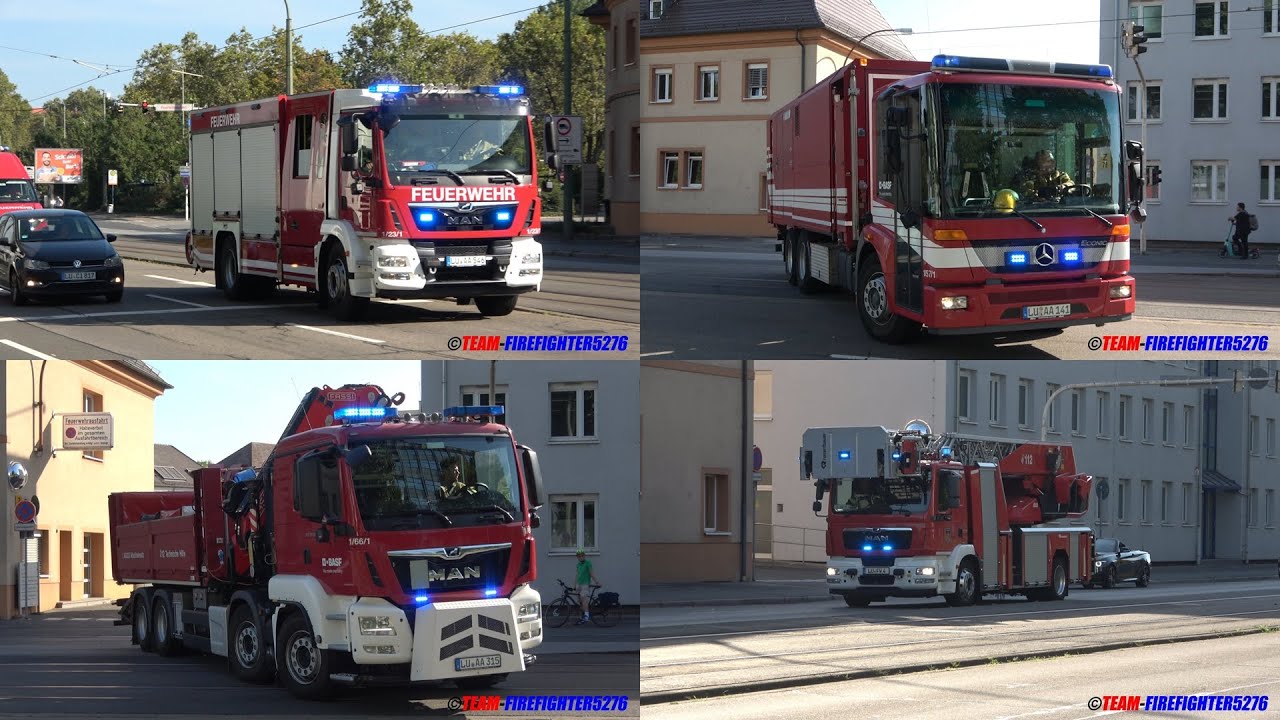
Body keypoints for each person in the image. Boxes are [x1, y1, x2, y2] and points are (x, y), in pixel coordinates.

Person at [574, 549, 599, 625]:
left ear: (584, 556)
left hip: (585, 584)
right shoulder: (578, 565)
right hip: (578, 584)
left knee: (583, 598)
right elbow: (577, 575)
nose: (580, 557)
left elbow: (591, 573)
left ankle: (587, 616)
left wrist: (597, 582)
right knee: (579, 601)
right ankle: (582, 616)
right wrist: (574, 584)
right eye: (579, 556)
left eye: (582, 556)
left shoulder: (588, 563)